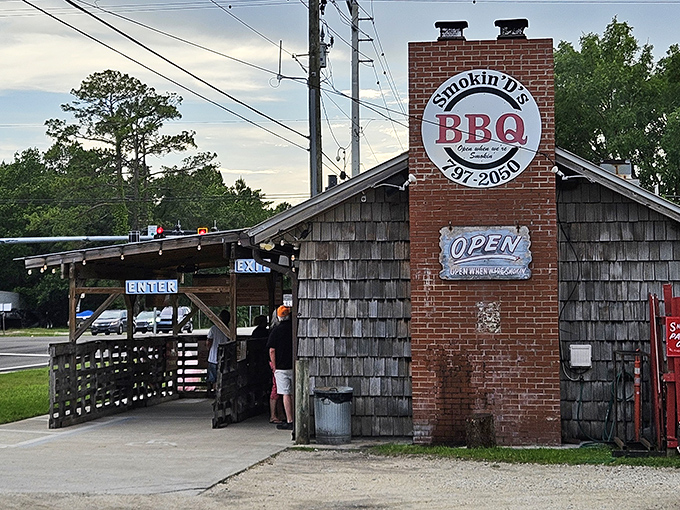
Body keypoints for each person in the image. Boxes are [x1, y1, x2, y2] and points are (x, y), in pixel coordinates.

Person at [252, 315, 285, 424]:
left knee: (279, 388)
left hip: (264, 361)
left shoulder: (258, 332)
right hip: (271, 362)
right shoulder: (267, 332)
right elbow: (270, 349)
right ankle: (274, 415)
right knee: (277, 388)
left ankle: (279, 414)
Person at [267, 305, 294, 431]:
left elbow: (272, 350)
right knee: (294, 393)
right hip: (294, 365)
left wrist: (274, 366)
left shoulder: (276, 330)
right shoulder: (294, 328)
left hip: (282, 367)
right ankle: (297, 418)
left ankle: (290, 420)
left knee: (286, 394)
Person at [206, 309, 230, 396]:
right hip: (224, 357)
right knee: (222, 376)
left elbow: (209, 342)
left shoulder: (213, 329)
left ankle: (214, 392)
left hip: (213, 357)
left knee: (213, 377)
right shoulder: (228, 329)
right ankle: (221, 392)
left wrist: (208, 349)